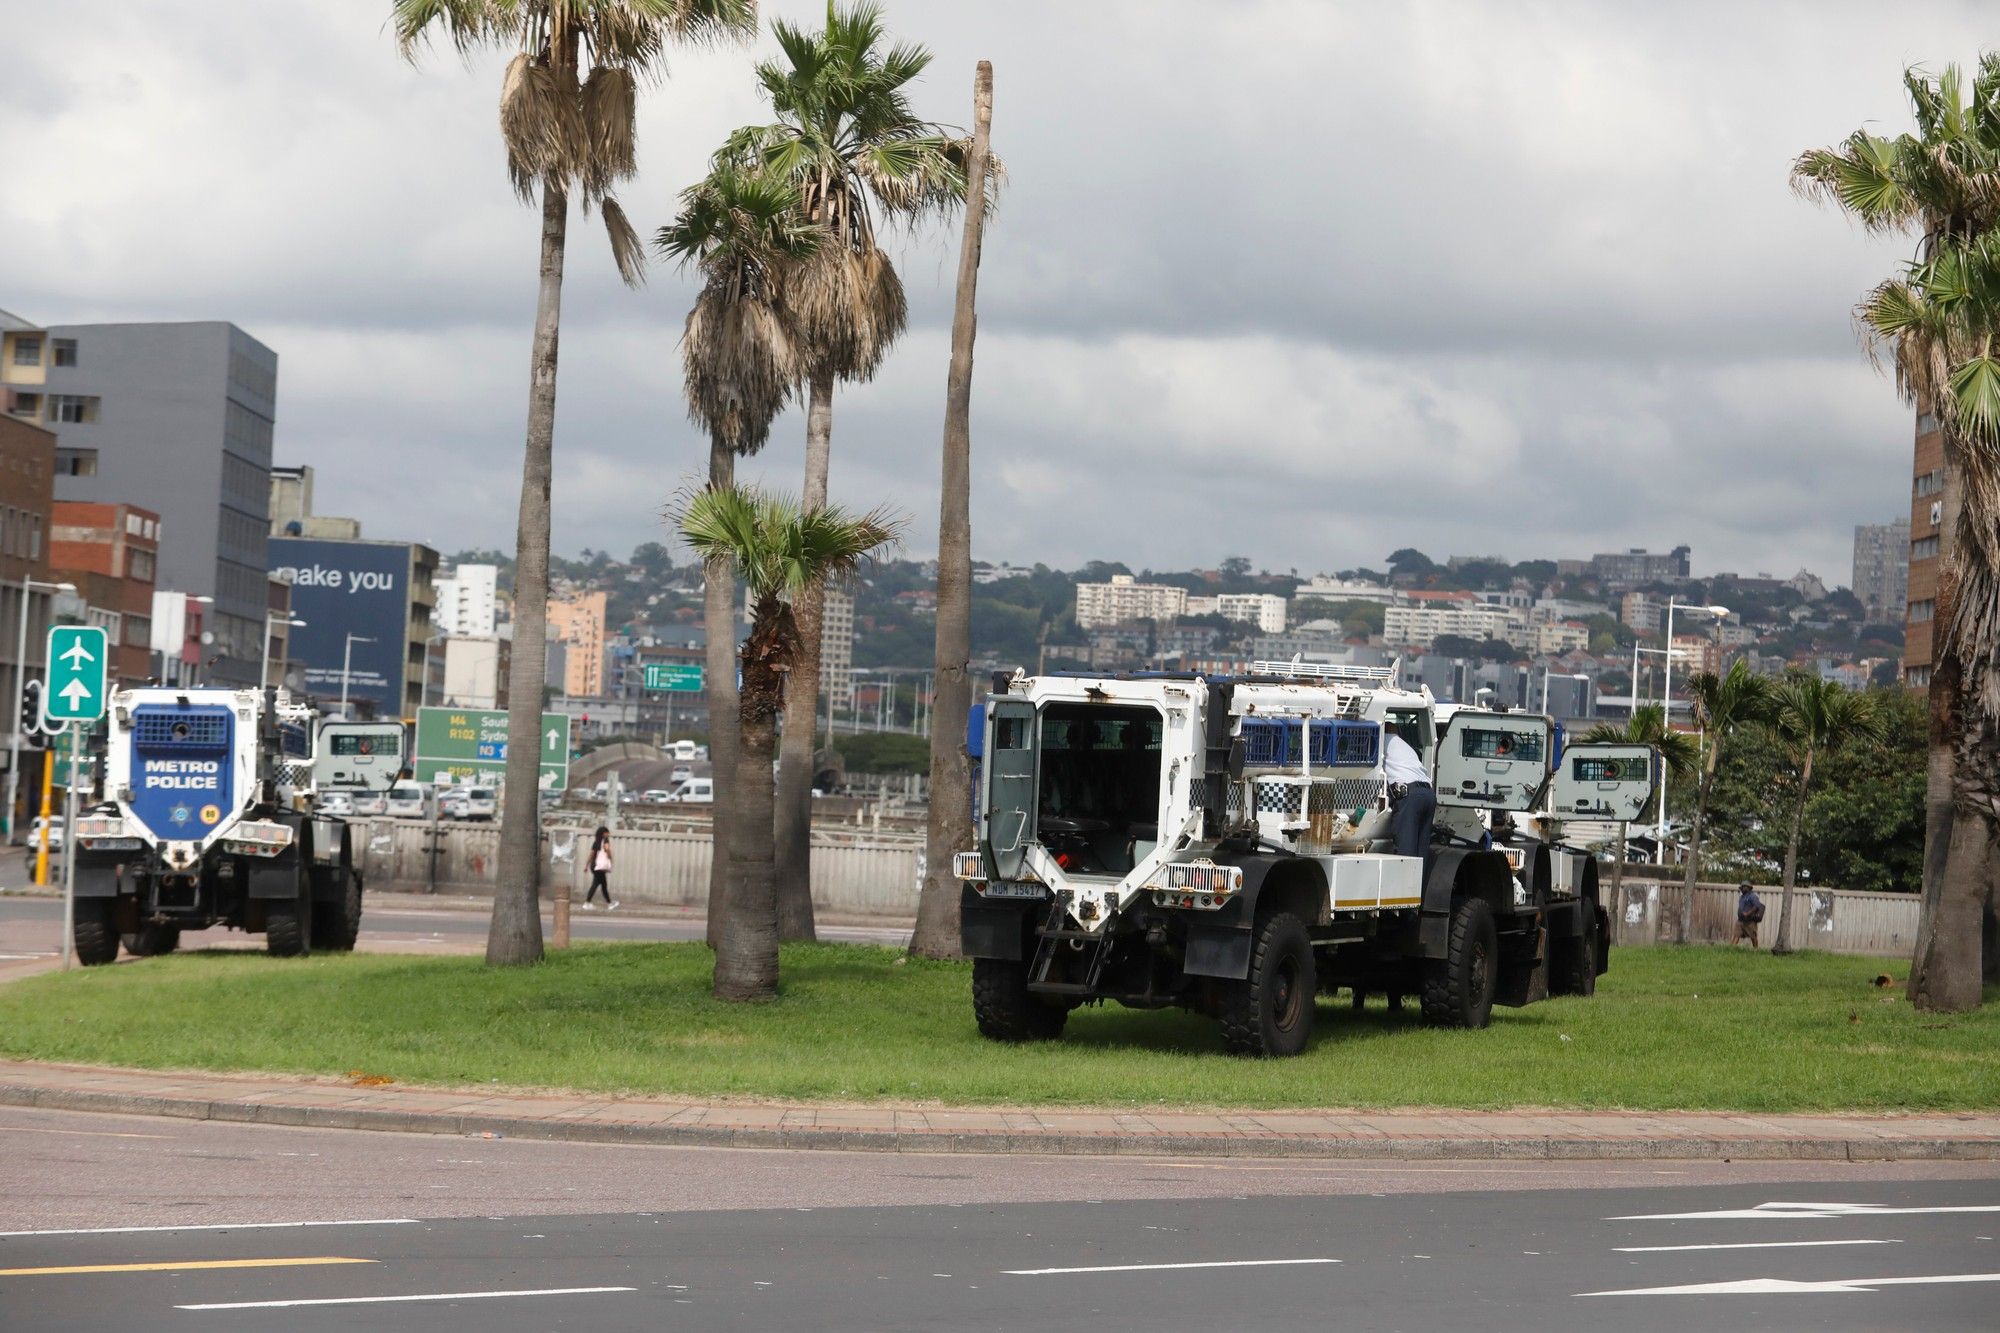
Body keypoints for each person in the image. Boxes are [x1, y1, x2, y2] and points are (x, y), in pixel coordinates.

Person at [1381, 721, 1435, 859]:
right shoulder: (1405, 746)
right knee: (1420, 855)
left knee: (1406, 854)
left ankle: (1404, 880)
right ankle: (1419, 881)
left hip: (1410, 796)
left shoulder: (1380, 741)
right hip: (1428, 794)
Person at [584, 826, 617, 910]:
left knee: (603, 885)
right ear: (604, 833)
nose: (608, 834)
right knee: (597, 884)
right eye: (607, 832)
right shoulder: (605, 840)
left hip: (594, 866)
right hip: (599, 867)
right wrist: (610, 856)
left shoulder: (596, 842)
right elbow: (607, 849)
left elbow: (591, 854)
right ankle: (587, 903)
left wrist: (586, 865)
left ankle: (609, 903)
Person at [1735, 882, 1765, 947]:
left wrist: (1748, 913)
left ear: (1748, 888)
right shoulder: (1742, 897)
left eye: (1743, 887)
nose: (1742, 889)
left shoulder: (1752, 896)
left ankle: (1756, 951)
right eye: (1741, 887)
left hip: (1750, 921)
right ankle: (1731, 949)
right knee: (1736, 935)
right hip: (1740, 920)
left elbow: (1756, 906)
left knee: (1753, 937)